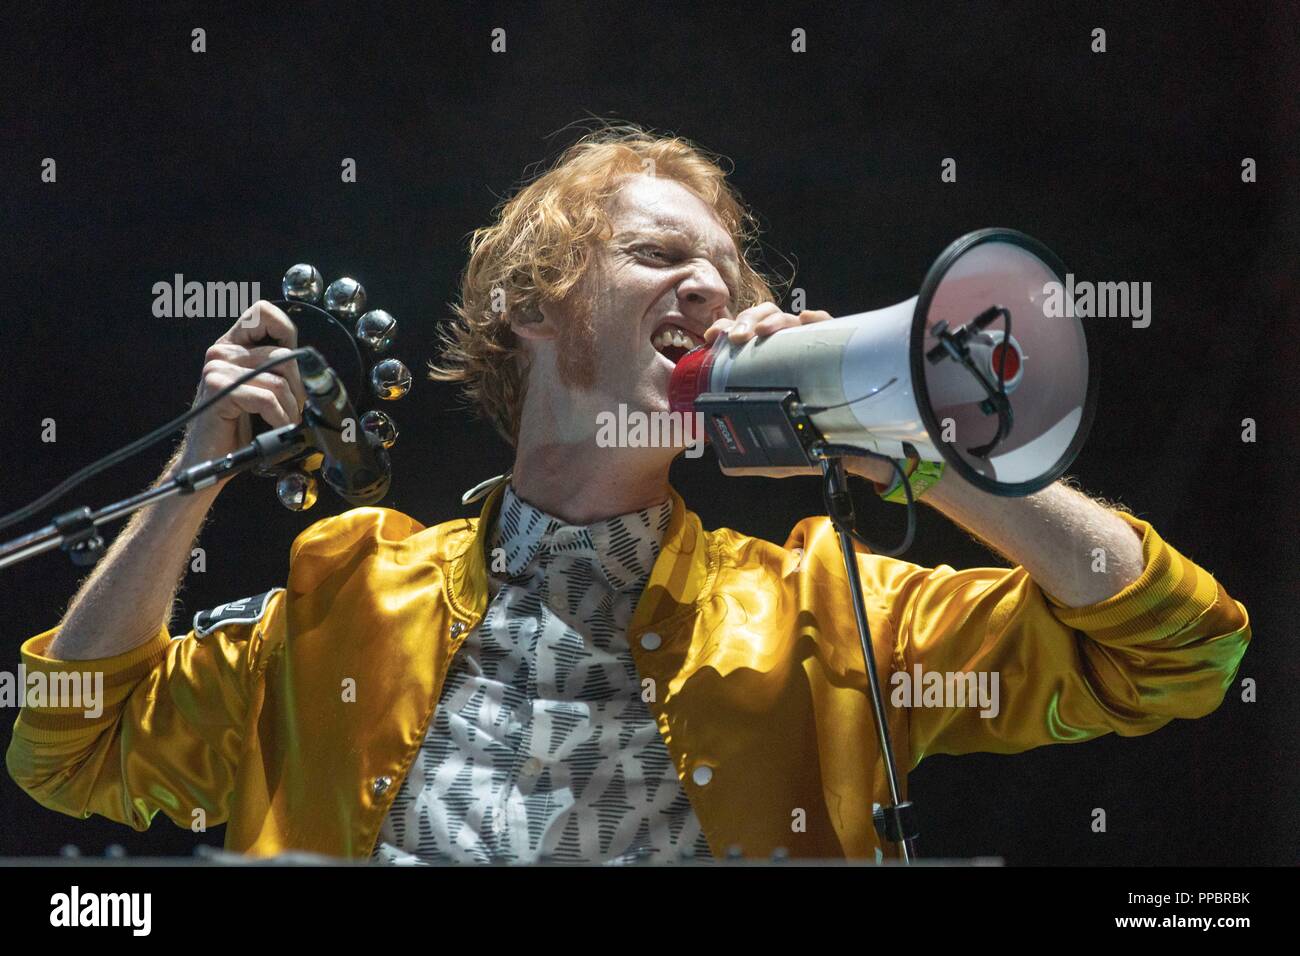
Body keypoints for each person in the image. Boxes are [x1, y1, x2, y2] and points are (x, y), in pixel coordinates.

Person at [7, 124, 1251, 863]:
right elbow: (68, 737)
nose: (708, 286)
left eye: (723, 268)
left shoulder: (828, 609)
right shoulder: (347, 590)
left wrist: (914, 447)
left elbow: (1175, 651)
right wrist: (190, 470)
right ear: (531, 308)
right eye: (658, 256)